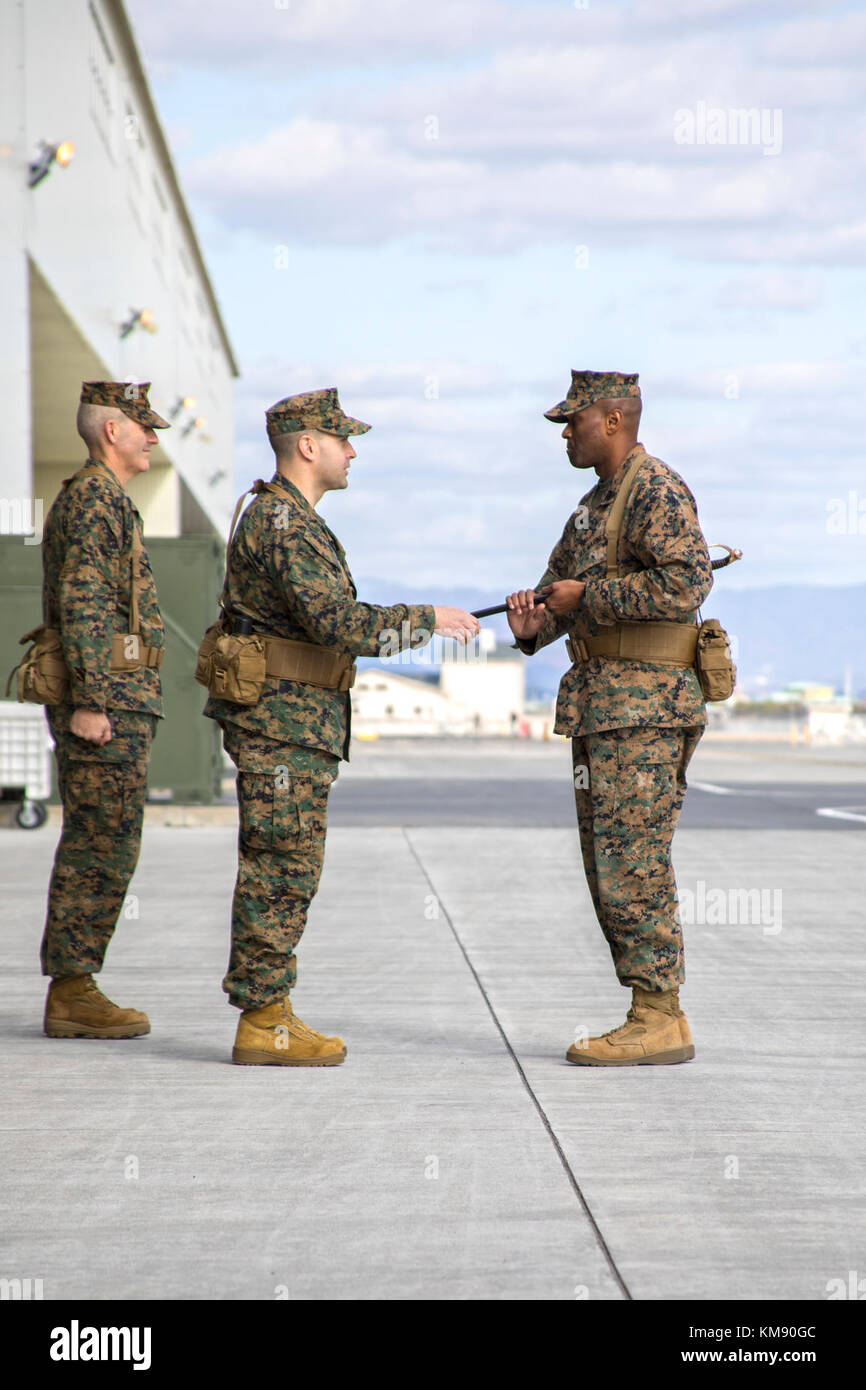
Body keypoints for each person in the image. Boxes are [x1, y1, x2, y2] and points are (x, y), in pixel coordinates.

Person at [203, 387, 479, 1067]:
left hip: (293, 723)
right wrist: (429, 618)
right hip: (283, 724)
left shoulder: (286, 518)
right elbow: (340, 624)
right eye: (343, 439)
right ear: (308, 446)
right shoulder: (283, 524)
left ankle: (271, 1011)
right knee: (280, 869)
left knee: (287, 867)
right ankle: (264, 1020)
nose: (352, 451)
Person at [506, 370, 712, 1066]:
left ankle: (659, 1014)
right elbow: (556, 605)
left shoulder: (657, 488)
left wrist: (586, 594)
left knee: (634, 863)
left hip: (646, 709)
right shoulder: (591, 510)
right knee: (608, 865)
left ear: (615, 421)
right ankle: (653, 1010)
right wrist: (532, 621)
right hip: (604, 711)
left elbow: (687, 581)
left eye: (575, 421)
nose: (566, 433)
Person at [41, 381, 168, 1039]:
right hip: (105, 704)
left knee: (108, 840)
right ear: (112, 431)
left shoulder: (106, 499)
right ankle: (72, 990)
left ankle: (76, 983)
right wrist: (92, 701)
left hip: (119, 699)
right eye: (144, 426)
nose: (154, 436)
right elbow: (84, 602)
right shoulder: (95, 501)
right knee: (100, 844)